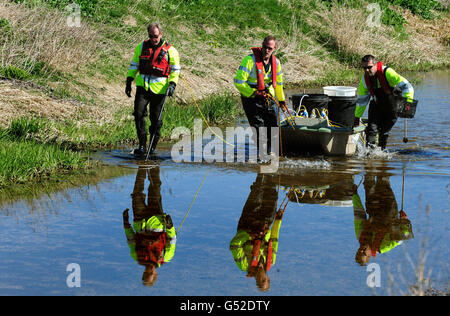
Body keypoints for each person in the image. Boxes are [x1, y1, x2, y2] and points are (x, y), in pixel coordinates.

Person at [125, 22, 181, 156]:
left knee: (156, 121)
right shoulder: (141, 47)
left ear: (161, 34)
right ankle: (142, 147)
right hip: (142, 88)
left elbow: (175, 70)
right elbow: (134, 65)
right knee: (138, 115)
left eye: (155, 36)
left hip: (160, 90)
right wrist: (129, 81)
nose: (153, 39)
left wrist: (172, 84)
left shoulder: (170, 51)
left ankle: (152, 149)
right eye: (150, 36)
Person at [122, 165, 177, 286]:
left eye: (145, 274)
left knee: (136, 194)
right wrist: (170, 226)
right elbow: (172, 239)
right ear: (155, 274)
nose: (148, 272)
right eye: (149, 275)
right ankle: (154, 165)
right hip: (156, 217)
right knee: (154, 189)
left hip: (139, 219)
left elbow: (130, 239)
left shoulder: (136, 257)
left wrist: (126, 223)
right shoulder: (166, 257)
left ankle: (142, 166)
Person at [229, 173, 284, 292]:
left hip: (248, 222)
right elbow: (274, 239)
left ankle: (262, 166)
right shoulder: (271, 261)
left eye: (258, 281)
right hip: (266, 223)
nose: (259, 278)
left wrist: (249, 235)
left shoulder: (244, 266)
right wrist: (278, 221)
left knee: (258, 189)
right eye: (263, 280)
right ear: (268, 279)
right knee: (272, 193)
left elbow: (234, 245)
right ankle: (272, 167)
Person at [233, 36, 286, 157]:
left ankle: (271, 152)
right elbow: (238, 81)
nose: (266, 50)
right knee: (258, 126)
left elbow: (278, 83)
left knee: (273, 125)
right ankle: (263, 155)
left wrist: (282, 100)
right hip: (251, 97)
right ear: (262, 45)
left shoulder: (276, 62)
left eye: (270, 48)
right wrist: (253, 93)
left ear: (274, 49)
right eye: (265, 47)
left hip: (268, 97)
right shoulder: (249, 60)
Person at [354, 55, 414, 150]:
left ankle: (381, 153)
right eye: (364, 68)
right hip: (376, 104)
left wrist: (408, 104)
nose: (366, 70)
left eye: (369, 67)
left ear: (375, 65)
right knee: (371, 130)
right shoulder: (365, 79)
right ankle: (369, 154)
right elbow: (362, 100)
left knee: (383, 131)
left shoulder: (387, 72)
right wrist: (357, 117)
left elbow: (408, 88)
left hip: (393, 106)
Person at [352, 171, 413, 266]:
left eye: (359, 251)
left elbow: (358, 214)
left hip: (373, 207)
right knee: (383, 178)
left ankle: (370, 162)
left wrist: (354, 194)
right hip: (389, 210)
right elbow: (400, 239)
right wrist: (403, 222)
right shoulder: (382, 246)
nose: (362, 250)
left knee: (369, 179)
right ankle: (384, 163)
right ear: (369, 256)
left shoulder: (360, 235)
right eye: (364, 253)